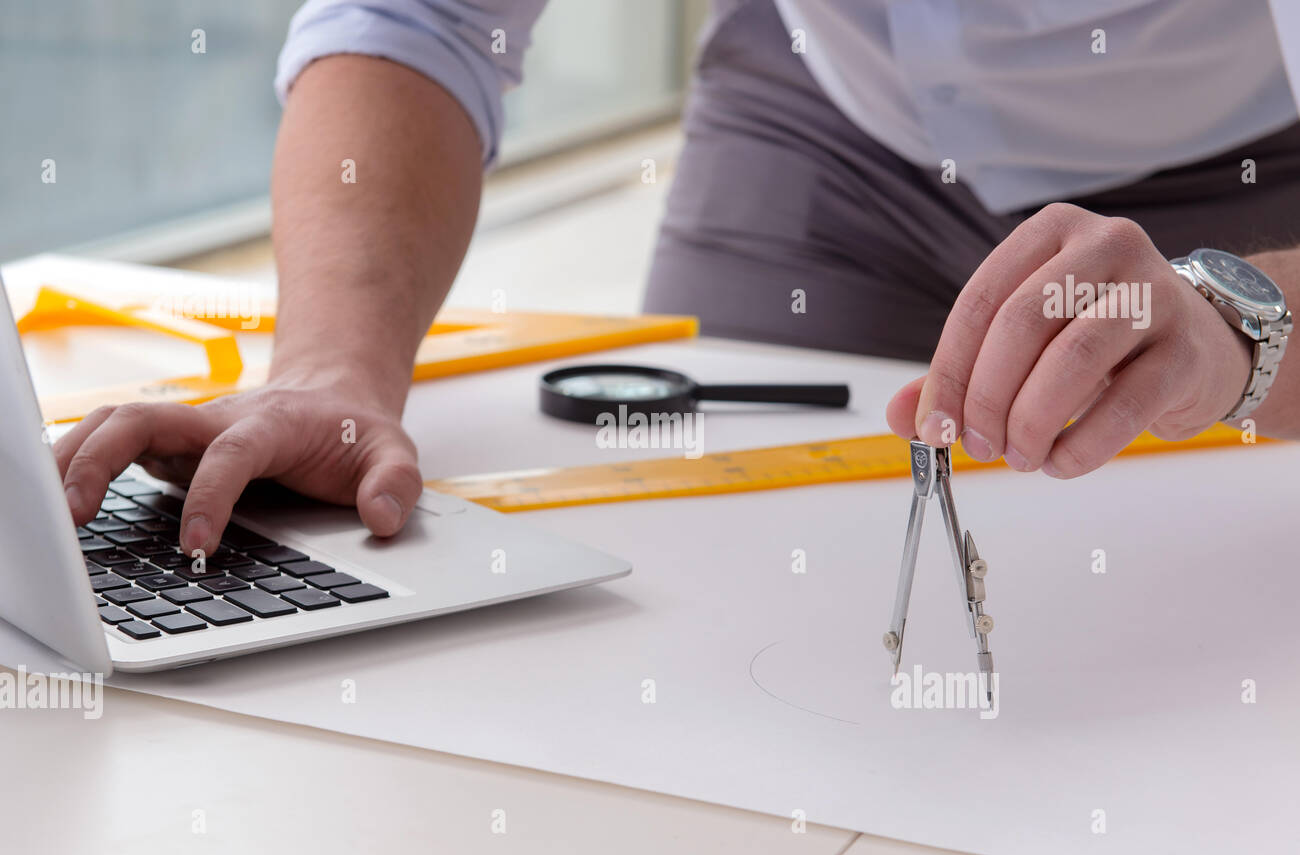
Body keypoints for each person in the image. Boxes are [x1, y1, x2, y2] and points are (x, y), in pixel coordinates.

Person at [55, 0, 1300, 556]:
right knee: (701, 564)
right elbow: (419, 20)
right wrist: (332, 370)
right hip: (829, 108)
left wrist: (1234, 326)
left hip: (1243, 174)